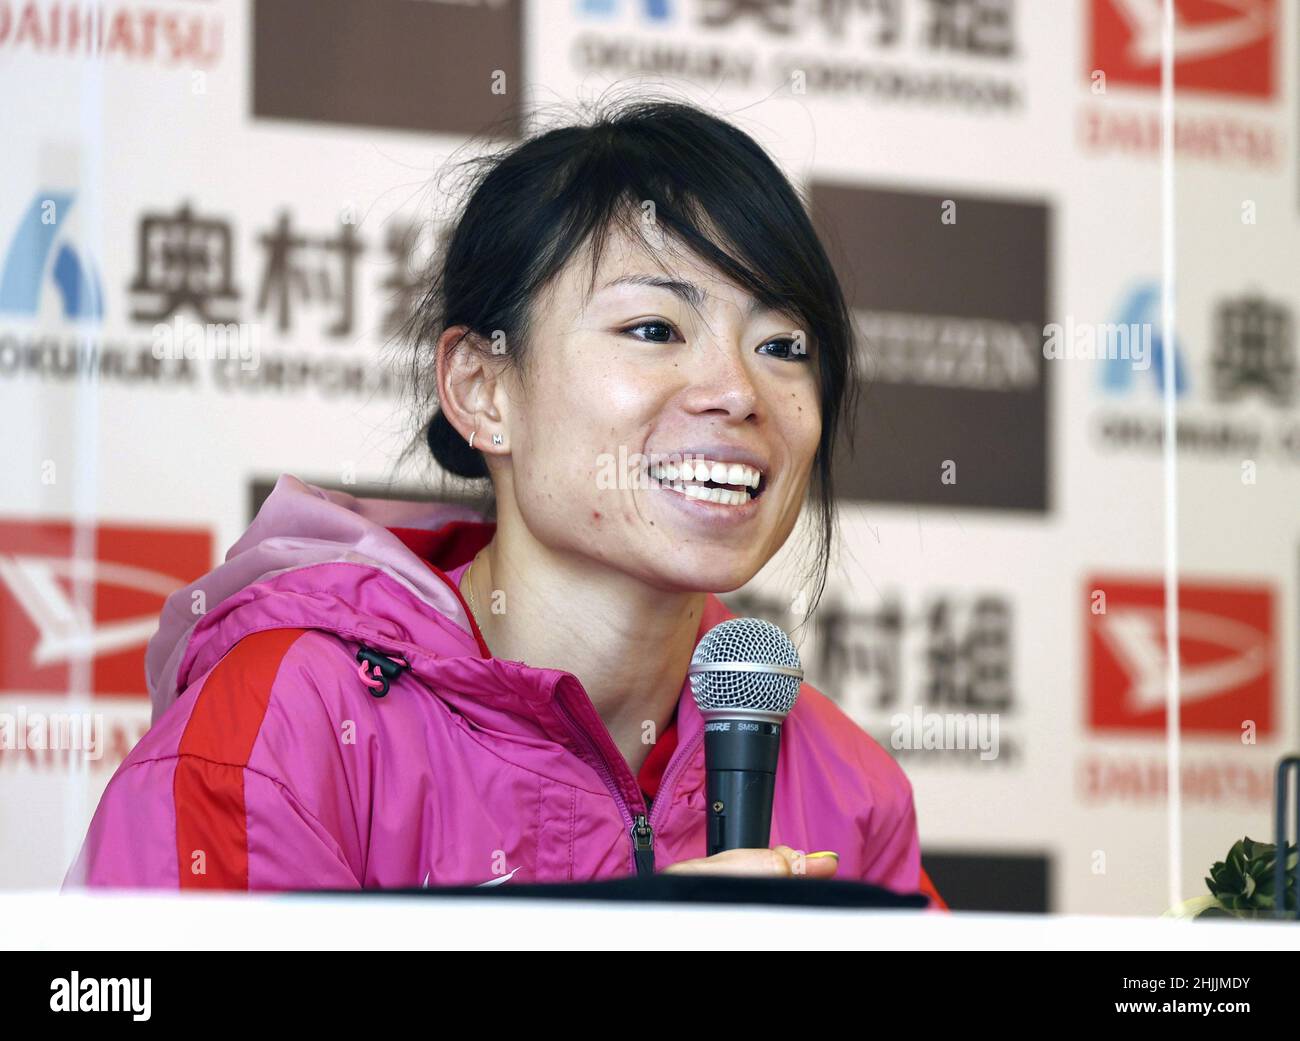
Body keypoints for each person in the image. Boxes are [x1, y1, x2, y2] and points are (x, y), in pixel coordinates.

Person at [65, 97, 946, 909]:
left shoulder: (843, 782)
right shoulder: (286, 726)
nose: (737, 391)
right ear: (484, 388)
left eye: (783, 344)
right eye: (654, 330)